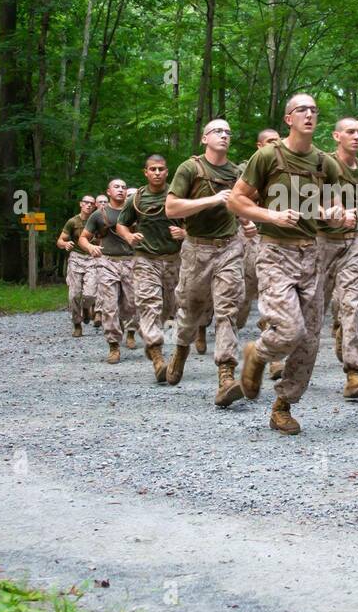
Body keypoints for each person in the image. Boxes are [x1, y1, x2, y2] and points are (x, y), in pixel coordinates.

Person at [228, 95, 349, 435]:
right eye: (302, 110)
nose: (309, 114)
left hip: (311, 253)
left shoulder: (325, 163)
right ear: (288, 119)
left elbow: (335, 204)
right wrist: (273, 215)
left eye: (314, 110)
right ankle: (257, 353)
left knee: (309, 340)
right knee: (289, 329)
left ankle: (282, 406)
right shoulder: (268, 155)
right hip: (274, 251)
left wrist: (336, 213)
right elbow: (237, 200)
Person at [165, 119, 250, 407]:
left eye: (228, 131)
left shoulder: (237, 172)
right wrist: (211, 200)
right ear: (204, 138)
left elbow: (245, 203)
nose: (225, 135)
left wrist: (247, 220)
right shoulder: (191, 169)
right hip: (196, 249)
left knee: (227, 309)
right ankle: (180, 350)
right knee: (190, 311)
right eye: (218, 131)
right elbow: (171, 207)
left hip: (229, 248)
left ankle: (226, 375)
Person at [318, 116, 358, 399]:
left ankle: (354, 374)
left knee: (351, 304)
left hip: (354, 243)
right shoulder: (322, 164)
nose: (356, 136)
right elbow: (304, 200)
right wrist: (332, 214)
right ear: (336, 136)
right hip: (322, 244)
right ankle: (283, 358)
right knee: (312, 308)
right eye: (350, 132)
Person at [116, 156, 187, 383]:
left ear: (168, 172)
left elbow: (195, 222)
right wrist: (128, 236)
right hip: (145, 259)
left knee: (170, 309)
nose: (157, 172)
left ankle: (157, 343)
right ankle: (157, 357)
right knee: (149, 305)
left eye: (161, 169)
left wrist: (185, 233)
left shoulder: (177, 196)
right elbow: (121, 223)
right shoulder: (136, 198)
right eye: (152, 169)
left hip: (174, 259)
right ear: (145, 172)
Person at [84, 180, 137, 363]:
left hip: (131, 262)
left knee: (131, 303)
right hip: (107, 263)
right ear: (108, 192)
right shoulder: (99, 215)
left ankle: (130, 330)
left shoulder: (135, 212)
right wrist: (90, 248)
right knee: (109, 305)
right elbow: (83, 238)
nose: (121, 190)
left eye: (123, 187)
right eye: (117, 187)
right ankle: (113, 345)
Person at [237, 128, 279, 330]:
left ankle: (268, 324)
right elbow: (235, 199)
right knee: (247, 283)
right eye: (270, 141)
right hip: (249, 234)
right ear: (260, 145)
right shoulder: (245, 168)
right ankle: (234, 321)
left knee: (271, 283)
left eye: (278, 141)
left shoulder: (284, 167)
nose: (275, 145)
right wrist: (245, 220)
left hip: (275, 234)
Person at [56, 195, 97, 337]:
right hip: (76, 259)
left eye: (92, 203)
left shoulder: (97, 220)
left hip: (93, 259)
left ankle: (86, 309)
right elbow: (60, 241)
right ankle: (77, 324)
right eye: (86, 202)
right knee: (74, 294)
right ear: (81, 204)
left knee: (90, 294)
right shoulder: (73, 221)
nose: (89, 205)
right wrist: (65, 244)